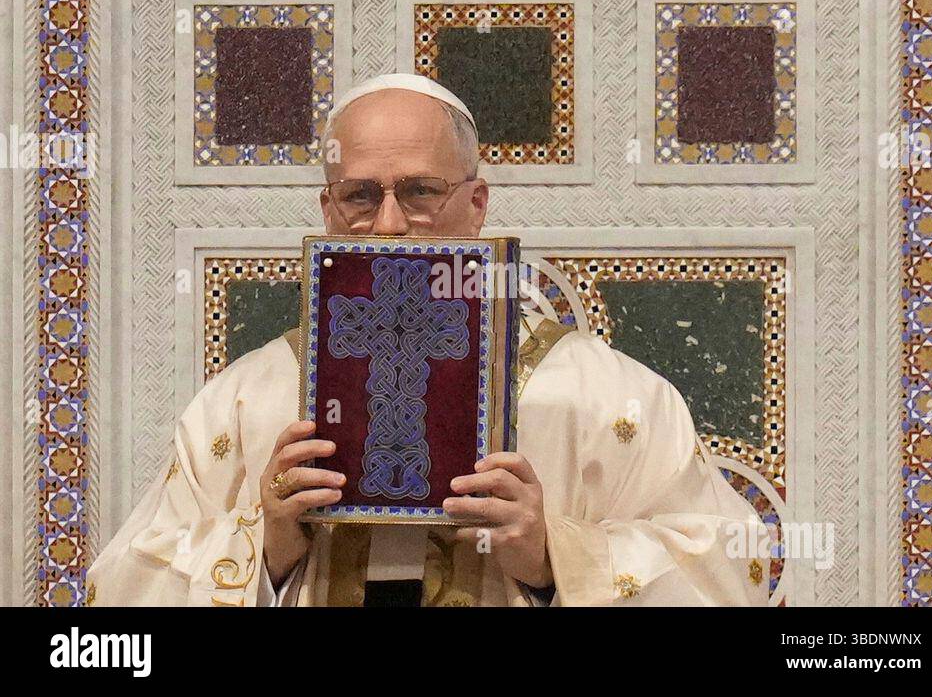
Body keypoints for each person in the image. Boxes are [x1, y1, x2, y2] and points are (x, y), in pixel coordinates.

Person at [87, 74, 769, 606]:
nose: (387, 224)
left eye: (418, 191)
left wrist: (552, 557)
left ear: (476, 205)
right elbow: (121, 589)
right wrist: (264, 547)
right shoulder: (248, 398)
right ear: (328, 210)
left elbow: (727, 566)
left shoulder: (604, 397)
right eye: (359, 194)